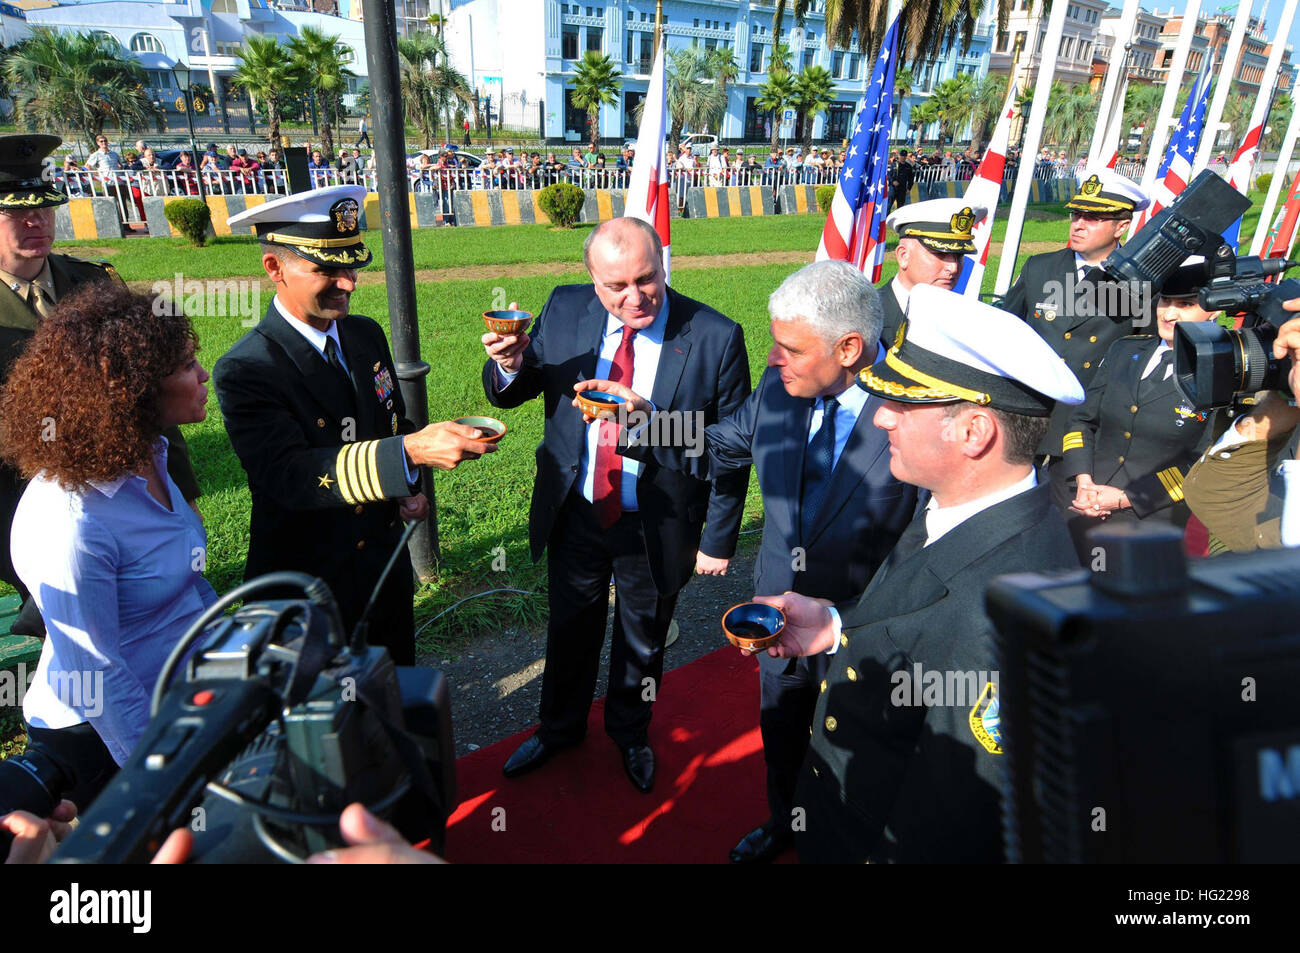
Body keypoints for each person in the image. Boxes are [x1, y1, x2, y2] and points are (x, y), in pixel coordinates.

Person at [582, 261, 919, 861]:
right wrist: (635, 418)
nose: (775, 356)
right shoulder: (779, 390)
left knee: (863, 749)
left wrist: (859, 620)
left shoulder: (917, 413)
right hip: (775, 612)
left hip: (869, 628)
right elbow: (717, 447)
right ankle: (785, 823)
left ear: (849, 347)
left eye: (790, 347)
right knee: (783, 730)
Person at [753, 285, 1085, 863]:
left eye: (904, 404)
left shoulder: (1009, 615)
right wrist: (835, 624)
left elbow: (956, 821)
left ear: (974, 432)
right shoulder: (951, 507)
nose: (881, 416)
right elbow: (918, 616)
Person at [481, 217, 751, 793]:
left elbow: (732, 443)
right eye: (616, 286)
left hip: (654, 520)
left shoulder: (714, 335)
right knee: (570, 626)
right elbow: (522, 385)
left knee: (643, 637)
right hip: (577, 508)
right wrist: (508, 363)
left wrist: (717, 538)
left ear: (662, 262)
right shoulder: (564, 308)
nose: (635, 297)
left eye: (647, 278)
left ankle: (630, 733)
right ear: (591, 281)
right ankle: (558, 728)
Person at [213, 186, 497, 666]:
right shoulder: (248, 369)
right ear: (274, 268)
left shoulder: (364, 333)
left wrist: (404, 487)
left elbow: (389, 421)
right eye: (327, 269)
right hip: (308, 586)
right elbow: (291, 477)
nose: (347, 283)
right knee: (326, 727)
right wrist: (406, 454)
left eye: (352, 266)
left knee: (396, 693)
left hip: (383, 567)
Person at [0, 281, 217, 808]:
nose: (203, 375)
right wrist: (162, 776)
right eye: (186, 365)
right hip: (105, 739)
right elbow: (95, 672)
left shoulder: (152, 455)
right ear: (136, 389)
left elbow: (188, 589)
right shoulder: (73, 520)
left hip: (172, 703)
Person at [0, 134, 201, 639]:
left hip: (122, 492)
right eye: (15, 213)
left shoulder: (93, 282)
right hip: (24, 498)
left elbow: (145, 394)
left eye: (44, 208)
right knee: (79, 640)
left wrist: (180, 487)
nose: (35, 222)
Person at [1001, 168, 1150, 505]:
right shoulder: (1041, 268)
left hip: (1084, 430)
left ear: (1121, 226)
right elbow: (1006, 330)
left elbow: (1142, 359)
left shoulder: (1139, 284)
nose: (1078, 224)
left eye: (1093, 218)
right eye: (1076, 215)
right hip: (1025, 415)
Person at [1059, 260, 1223, 557]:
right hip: (1080, 503)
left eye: (1185, 304)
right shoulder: (1125, 349)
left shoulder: (1222, 374)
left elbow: (1205, 461)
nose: (1169, 313)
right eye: (1165, 301)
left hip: (1148, 521)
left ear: (1214, 310)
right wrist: (1083, 480)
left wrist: (1126, 498)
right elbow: (1082, 421)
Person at [878, 198, 987, 344]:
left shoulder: (967, 318)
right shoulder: (865, 315)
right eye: (940, 254)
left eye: (959, 256)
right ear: (903, 256)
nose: (953, 268)